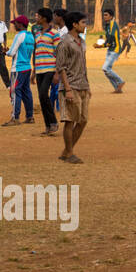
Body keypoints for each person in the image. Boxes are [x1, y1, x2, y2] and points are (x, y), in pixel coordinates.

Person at [54, 11, 91, 164]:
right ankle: (69, 153)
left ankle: (67, 151)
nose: (85, 25)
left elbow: (83, 65)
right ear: (74, 25)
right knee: (70, 121)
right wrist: (67, 89)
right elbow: (61, 67)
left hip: (82, 85)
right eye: (83, 22)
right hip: (70, 86)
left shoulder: (81, 42)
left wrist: (87, 86)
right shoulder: (64, 42)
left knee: (83, 120)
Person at [3, 16, 36, 126]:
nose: (14, 25)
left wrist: (5, 52)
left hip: (18, 68)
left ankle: (15, 117)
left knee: (15, 91)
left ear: (20, 24)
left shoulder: (19, 36)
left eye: (15, 23)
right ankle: (30, 116)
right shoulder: (31, 36)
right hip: (27, 67)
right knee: (26, 92)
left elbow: (12, 53)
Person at [32, 9, 60, 136]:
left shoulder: (54, 33)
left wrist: (57, 73)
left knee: (43, 94)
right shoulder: (37, 33)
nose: (36, 18)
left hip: (50, 69)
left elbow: (59, 54)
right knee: (41, 97)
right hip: (39, 69)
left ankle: (53, 122)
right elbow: (36, 51)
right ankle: (48, 126)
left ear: (44, 18)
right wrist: (34, 70)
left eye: (38, 16)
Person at [100, 8, 125, 94]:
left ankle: (120, 81)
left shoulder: (112, 23)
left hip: (116, 49)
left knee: (105, 68)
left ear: (111, 16)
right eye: (104, 15)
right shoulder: (107, 25)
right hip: (110, 49)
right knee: (106, 71)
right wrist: (102, 45)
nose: (104, 17)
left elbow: (111, 37)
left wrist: (102, 45)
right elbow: (108, 39)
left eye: (106, 15)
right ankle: (117, 88)